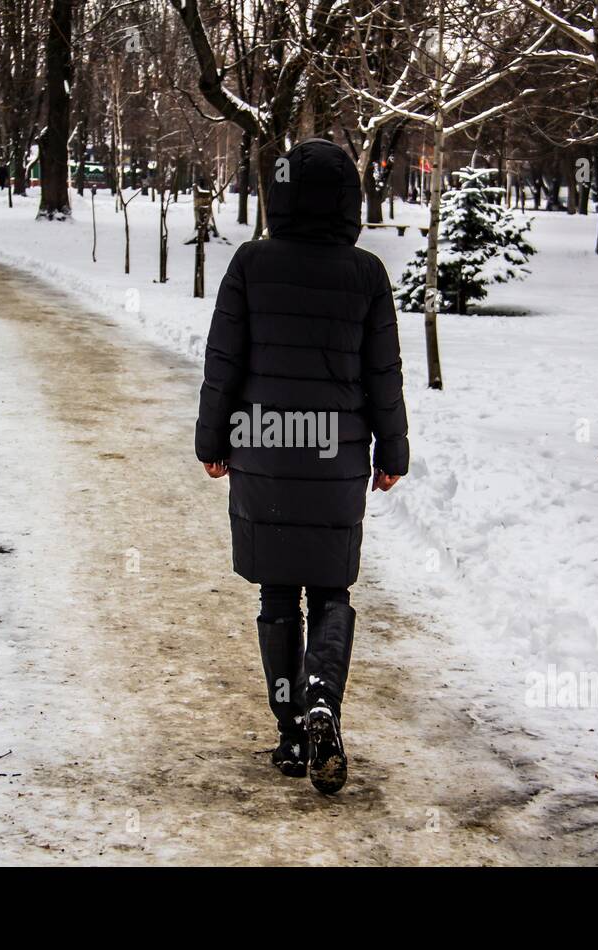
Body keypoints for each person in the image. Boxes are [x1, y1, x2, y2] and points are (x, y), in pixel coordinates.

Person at [195, 138, 409, 795]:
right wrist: (392, 452)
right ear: (350, 201)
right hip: (336, 456)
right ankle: (324, 701)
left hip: (263, 447)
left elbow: (223, 362)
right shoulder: (367, 274)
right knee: (332, 590)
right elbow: (384, 375)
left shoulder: (251, 264)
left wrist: (212, 442)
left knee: (277, 590)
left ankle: (292, 729)